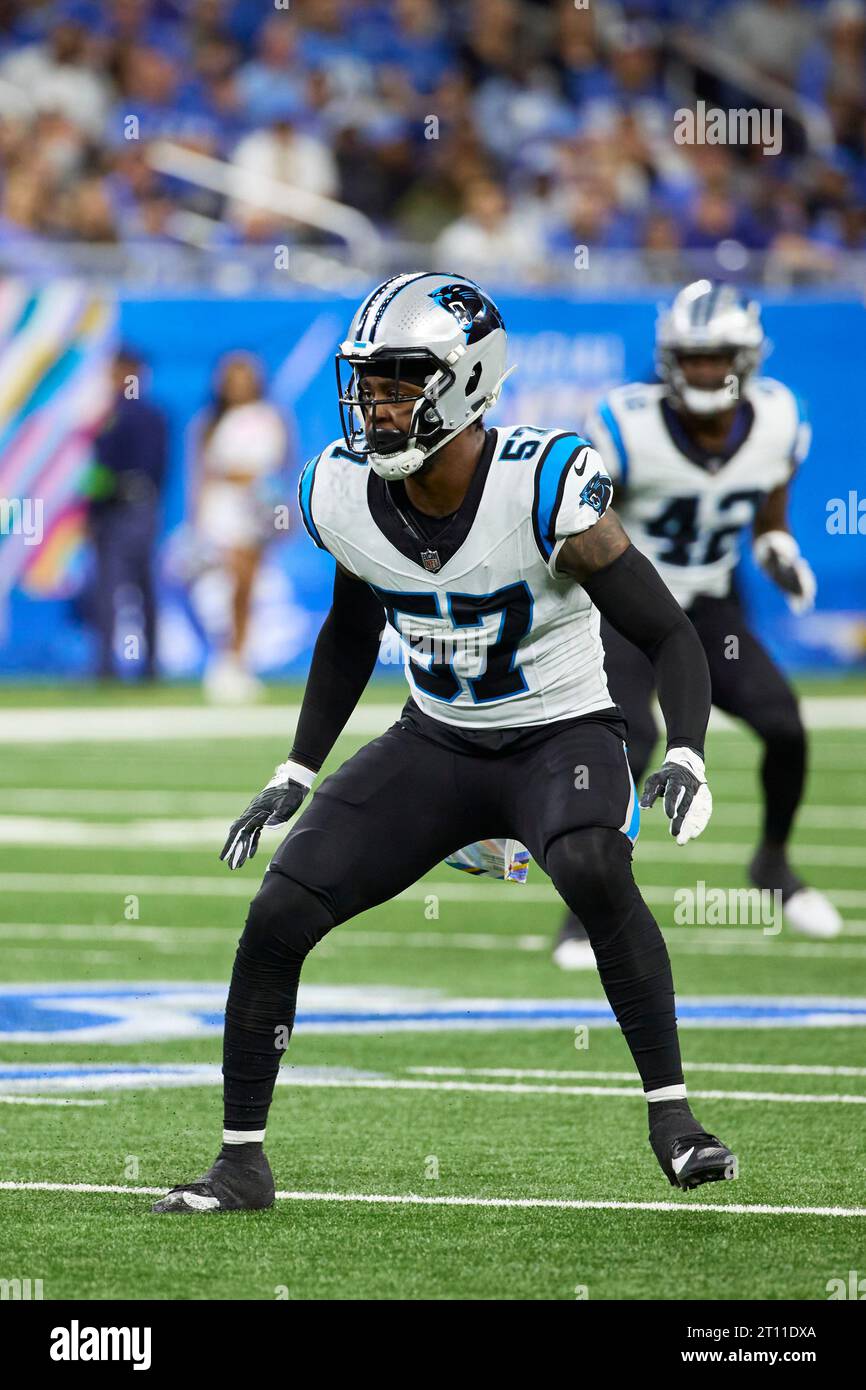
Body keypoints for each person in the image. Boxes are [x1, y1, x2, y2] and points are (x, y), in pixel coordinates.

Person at [152, 271, 736, 1215]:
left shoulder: (542, 483)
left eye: (398, 380)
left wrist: (688, 749)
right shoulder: (340, 490)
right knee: (278, 913)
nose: (376, 402)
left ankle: (675, 1121)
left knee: (591, 863)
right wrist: (296, 770)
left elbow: (666, 631)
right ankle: (241, 1162)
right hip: (439, 740)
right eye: (368, 381)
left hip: (561, 733)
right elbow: (350, 630)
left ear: (465, 381)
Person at [554, 279, 841, 971]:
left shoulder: (778, 418)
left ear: (745, 359)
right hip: (622, 601)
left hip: (711, 601)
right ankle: (584, 908)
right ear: (669, 359)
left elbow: (767, 511)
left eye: (717, 357)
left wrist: (779, 549)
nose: (705, 370)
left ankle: (772, 863)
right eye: (693, 356)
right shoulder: (627, 424)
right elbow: (579, 520)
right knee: (630, 740)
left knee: (782, 723)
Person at [193, 351, 287, 703]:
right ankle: (223, 659)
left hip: (254, 509)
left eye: (244, 377)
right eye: (232, 378)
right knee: (222, 588)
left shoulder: (268, 418)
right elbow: (203, 473)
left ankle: (239, 661)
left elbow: (272, 466)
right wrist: (198, 516)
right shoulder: (211, 422)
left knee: (247, 587)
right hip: (222, 510)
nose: (238, 385)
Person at [87, 346, 167, 681]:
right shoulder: (144, 415)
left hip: (125, 509)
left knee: (115, 588)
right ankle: (142, 665)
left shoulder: (122, 415)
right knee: (137, 588)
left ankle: (113, 666)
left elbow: (106, 472)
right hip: (136, 509)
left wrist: (96, 507)